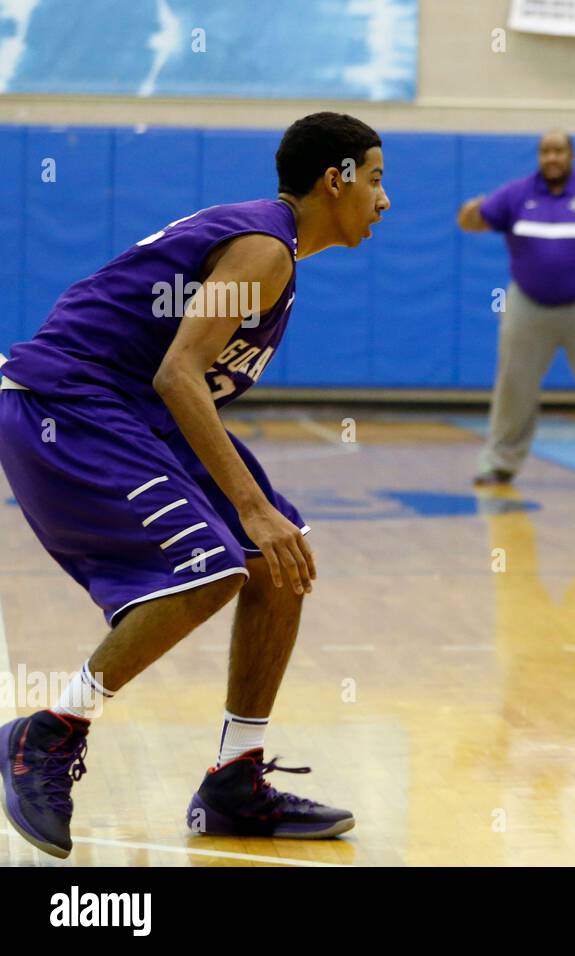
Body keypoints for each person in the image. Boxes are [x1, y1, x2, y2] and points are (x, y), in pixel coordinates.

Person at [0, 112, 388, 858]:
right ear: (334, 180)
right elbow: (179, 372)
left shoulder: (278, 255)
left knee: (281, 557)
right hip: (70, 400)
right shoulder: (264, 248)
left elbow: (175, 380)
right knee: (210, 567)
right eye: (374, 179)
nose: (384, 199)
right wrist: (248, 504)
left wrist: (263, 517)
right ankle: (47, 735)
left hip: (128, 407)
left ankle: (233, 782)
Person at [457, 130, 575, 488]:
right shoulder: (516, 194)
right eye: (546, 151)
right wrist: (468, 216)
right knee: (514, 386)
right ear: (540, 156)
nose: (552, 158)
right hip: (528, 303)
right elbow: (476, 221)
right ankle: (500, 462)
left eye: (559, 151)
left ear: (571, 155)